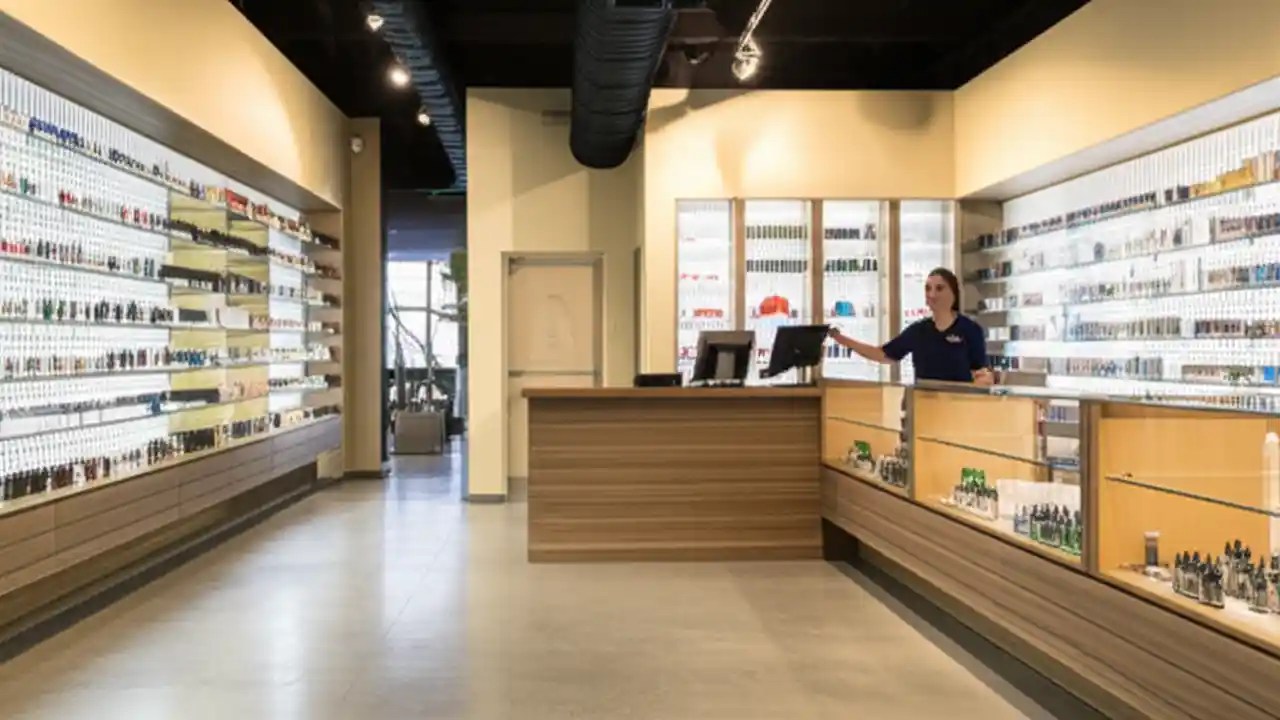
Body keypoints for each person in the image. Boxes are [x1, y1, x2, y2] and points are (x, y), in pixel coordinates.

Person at [829, 267, 994, 385]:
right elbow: (882, 354)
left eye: (939, 288)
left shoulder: (970, 330)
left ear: (953, 293)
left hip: (959, 410)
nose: (932, 294)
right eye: (928, 289)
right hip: (924, 408)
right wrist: (842, 339)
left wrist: (986, 379)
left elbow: (981, 372)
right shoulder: (919, 331)